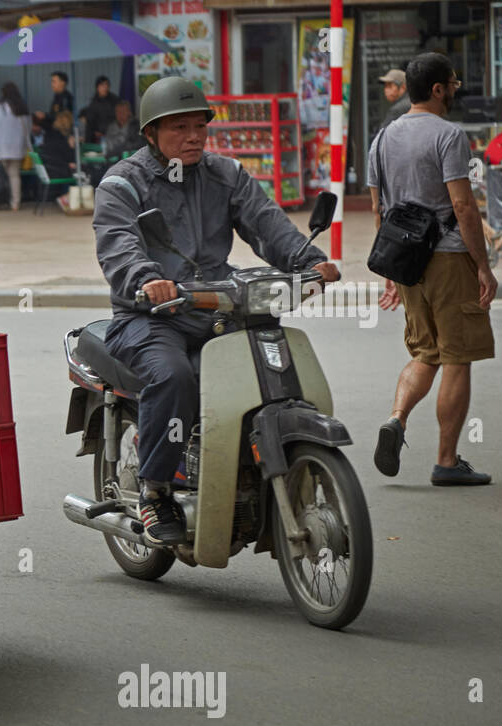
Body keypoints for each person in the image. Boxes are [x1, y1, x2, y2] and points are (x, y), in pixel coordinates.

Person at [92, 76, 340, 545]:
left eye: (199, 127)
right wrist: (147, 280)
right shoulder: (122, 183)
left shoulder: (225, 174)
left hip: (217, 306)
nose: (192, 137)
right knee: (174, 376)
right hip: (147, 316)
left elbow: (266, 223)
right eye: (178, 128)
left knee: (268, 366)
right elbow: (118, 245)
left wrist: (309, 263)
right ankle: (156, 490)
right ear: (150, 134)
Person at [368, 53, 495, 486]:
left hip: (407, 262)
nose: (457, 88)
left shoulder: (382, 138)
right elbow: (462, 204)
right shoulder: (449, 135)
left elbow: (379, 208)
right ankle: (446, 460)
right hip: (447, 257)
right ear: (438, 89)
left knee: (425, 353)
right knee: (457, 358)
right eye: (454, 82)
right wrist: (483, 265)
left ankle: (397, 418)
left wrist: (390, 270)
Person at [0, 82, 31, 211]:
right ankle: (15, 202)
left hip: (1, 147)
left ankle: (0, 200)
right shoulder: (22, 108)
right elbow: (28, 129)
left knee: (1, 175)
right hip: (18, 148)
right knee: (14, 175)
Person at [38, 109, 77, 192]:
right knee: (83, 170)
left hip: (48, 170)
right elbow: (72, 160)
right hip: (58, 171)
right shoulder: (62, 140)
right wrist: (72, 146)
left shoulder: (48, 136)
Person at [79, 75, 119, 144]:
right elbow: (90, 124)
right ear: (97, 87)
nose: (105, 87)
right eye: (102, 85)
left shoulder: (115, 100)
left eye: (107, 85)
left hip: (115, 135)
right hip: (99, 138)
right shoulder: (93, 104)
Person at [377, 68, 411, 132]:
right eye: (385, 86)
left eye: (390, 86)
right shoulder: (415, 102)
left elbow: (382, 136)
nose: (386, 90)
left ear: (403, 87)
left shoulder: (398, 109)